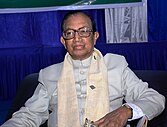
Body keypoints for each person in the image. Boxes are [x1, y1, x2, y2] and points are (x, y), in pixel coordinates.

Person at [1, 10, 165, 127]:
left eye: (84, 31)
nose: (77, 38)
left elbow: (155, 99)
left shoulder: (116, 66)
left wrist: (125, 111)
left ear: (95, 36)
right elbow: (30, 115)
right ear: (63, 41)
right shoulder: (49, 75)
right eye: (70, 33)